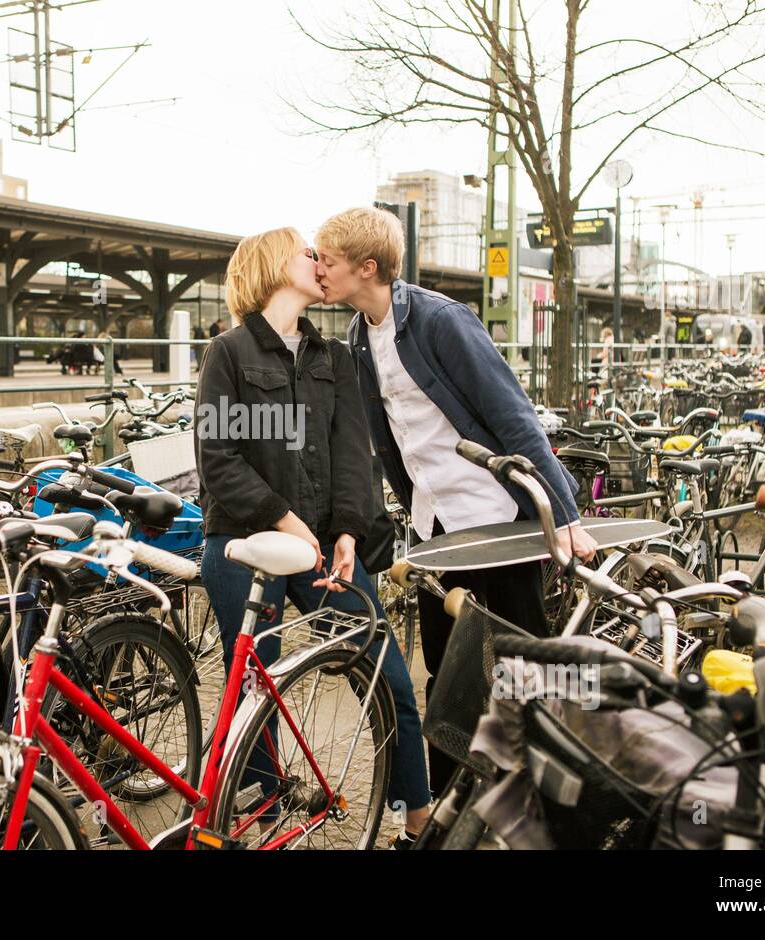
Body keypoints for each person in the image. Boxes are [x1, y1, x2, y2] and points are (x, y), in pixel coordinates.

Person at [315, 206, 598, 798]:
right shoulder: (358, 338)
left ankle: (553, 800)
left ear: (367, 268)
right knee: (447, 676)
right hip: (436, 526)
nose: (318, 269)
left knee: (526, 664)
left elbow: (512, 416)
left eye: (328, 260)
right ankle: (449, 809)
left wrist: (565, 516)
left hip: (494, 517)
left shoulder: (442, 321)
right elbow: (390, 439)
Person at [196, 226, 432, 845]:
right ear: (272, 266)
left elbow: (356, 456)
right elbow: (218, 458)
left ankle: (417, 813)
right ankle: (259, 809)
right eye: (305, 251)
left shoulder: (334, 359)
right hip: (243, 545)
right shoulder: (228, 354)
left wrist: (349, 531)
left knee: (384, 671)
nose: (317, 261)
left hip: (324, 549)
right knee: (255, 685)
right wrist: (283, 517)